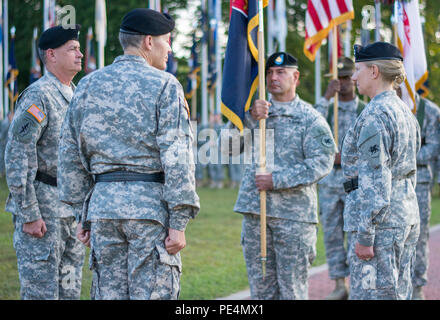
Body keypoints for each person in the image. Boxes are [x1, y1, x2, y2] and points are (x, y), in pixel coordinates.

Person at [57, 8, 200, 300]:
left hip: (104, 209)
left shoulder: (87, 85)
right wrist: (179, 222)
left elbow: (69, 153)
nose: (169, 48)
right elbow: (177, 157)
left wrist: (81, 214)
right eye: (167, 40)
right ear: (149, 41)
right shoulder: (165, 85)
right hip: (150, 212)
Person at [234, 52, 336, 299]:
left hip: (294, 219)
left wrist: (276, 180)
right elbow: (226, 148)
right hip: (257, 215)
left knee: (292, 291)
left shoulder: (310, 118)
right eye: (269, 73)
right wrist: (248, 119)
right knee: (261, 293)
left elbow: (323, 162)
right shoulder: (255, 115)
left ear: (296, 77)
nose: (273, 77)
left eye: (280, 72)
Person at [4, 25, 85, 299]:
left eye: (78, 48)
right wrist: (28, 214)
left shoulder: (75, 94)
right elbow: (17, 155)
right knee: (42, 293)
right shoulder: (38, 96)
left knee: (70, 290)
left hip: (71, 212)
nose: (80, 54)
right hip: (44, 212)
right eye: (72, 49)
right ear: (51, 55)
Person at [341, 42, 421, 300]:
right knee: (398, 293)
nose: (353, 76)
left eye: (358, 69)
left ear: (374, 71)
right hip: (404, 214)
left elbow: (375, 179)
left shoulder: (376, 114)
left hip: (381, 227)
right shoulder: (403, 110)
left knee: (372, 295)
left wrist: (366, 233)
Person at [314, 57, 365, 300]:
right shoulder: (327, 109)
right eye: (339, 78)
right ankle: (338, 284)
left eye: (346, 78)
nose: (342, 83)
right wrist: (326, 97)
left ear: (354, 80)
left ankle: (356, 284)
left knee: (356, 234)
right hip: (328, 184)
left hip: (355, 184)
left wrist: (345, 158)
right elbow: (311, 128)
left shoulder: (364, 109)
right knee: (332, 235)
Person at [411, 94, 440, 299]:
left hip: (419, 181)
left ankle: (417, 287)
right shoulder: (384, 106)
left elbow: (434, 147)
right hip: (390, 183)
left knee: (419, 236)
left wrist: (405, 157)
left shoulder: (429, 111)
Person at [0, 112, 13, 177]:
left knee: (8, 158)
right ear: (8, 115)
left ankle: (6, 172)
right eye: (11, 115)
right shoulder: (5, 123)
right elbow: (2, 135)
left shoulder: (10, 121)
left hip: (8, 143)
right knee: (2, 157)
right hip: (4, 143)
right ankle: (1, 172)